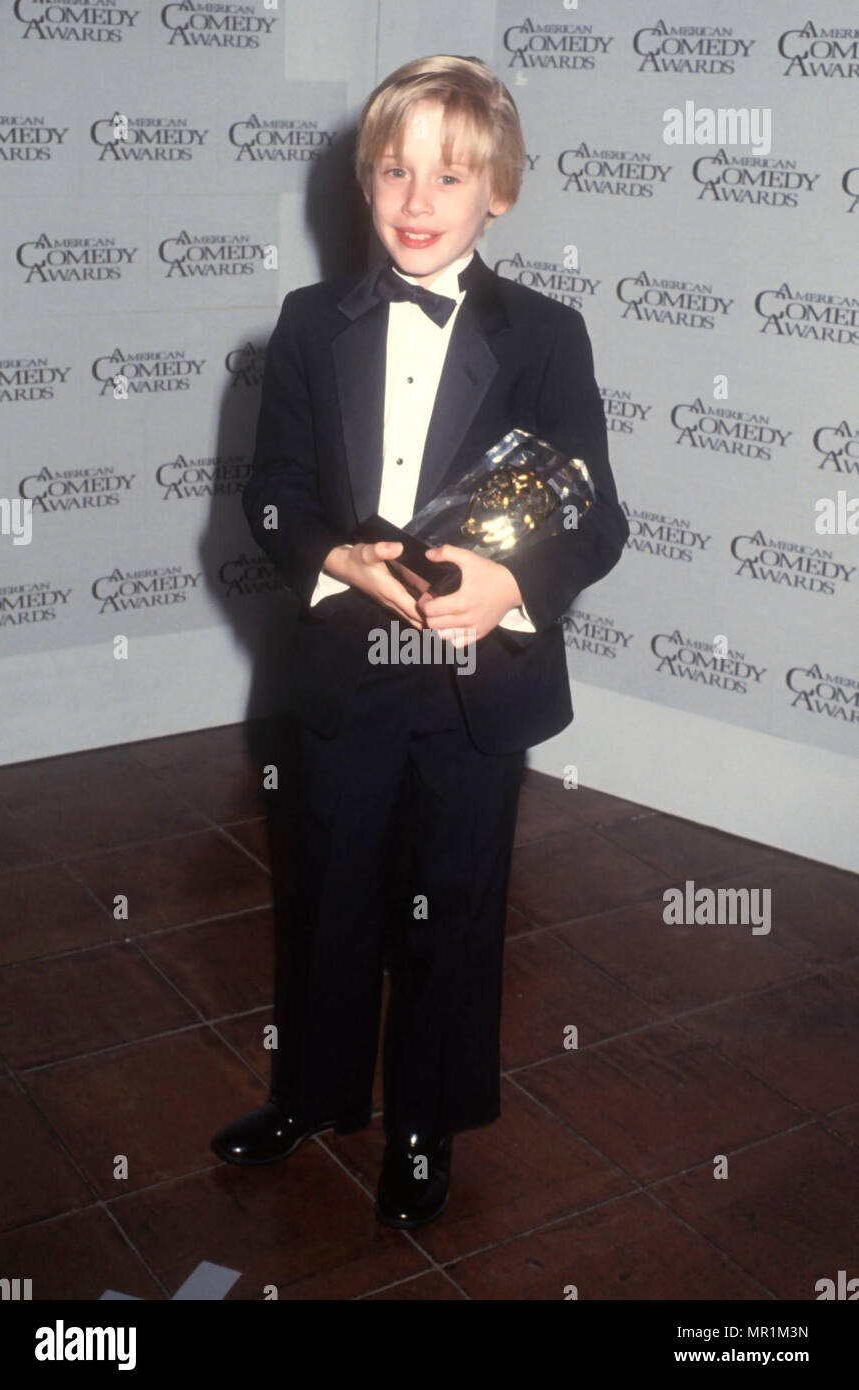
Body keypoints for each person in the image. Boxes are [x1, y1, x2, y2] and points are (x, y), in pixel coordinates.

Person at [211, 54, 629, 1229]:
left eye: (449, 176)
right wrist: (331, 557)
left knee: (454, 902)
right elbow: (277, 489)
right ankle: (315, 1090)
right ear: (364, 177)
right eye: (394, 169)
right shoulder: (308, 322)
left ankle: (422, 1122)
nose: (415, 199)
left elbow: (594, 512)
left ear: (498, 192)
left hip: (473, 682)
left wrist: (504, 582)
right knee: (330, 892)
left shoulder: (548, 335)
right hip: (345, 667)